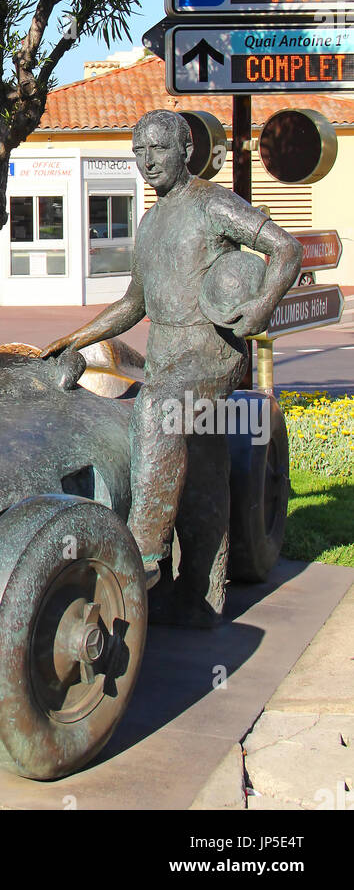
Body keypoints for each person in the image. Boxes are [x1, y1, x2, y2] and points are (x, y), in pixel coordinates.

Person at [41, 109, 302, 624]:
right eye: (138, 153)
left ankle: (142, 552)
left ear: (185, 149)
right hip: (167, 360)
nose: (147, 162)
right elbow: (132, 303)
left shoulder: (213, 205)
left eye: (157, 150)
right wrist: (73, 338)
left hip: (211, 358)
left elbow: (285, 248)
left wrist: (263, 304)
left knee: (159, 408)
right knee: (203, 473)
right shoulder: (150, 222)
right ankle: (201, 599)